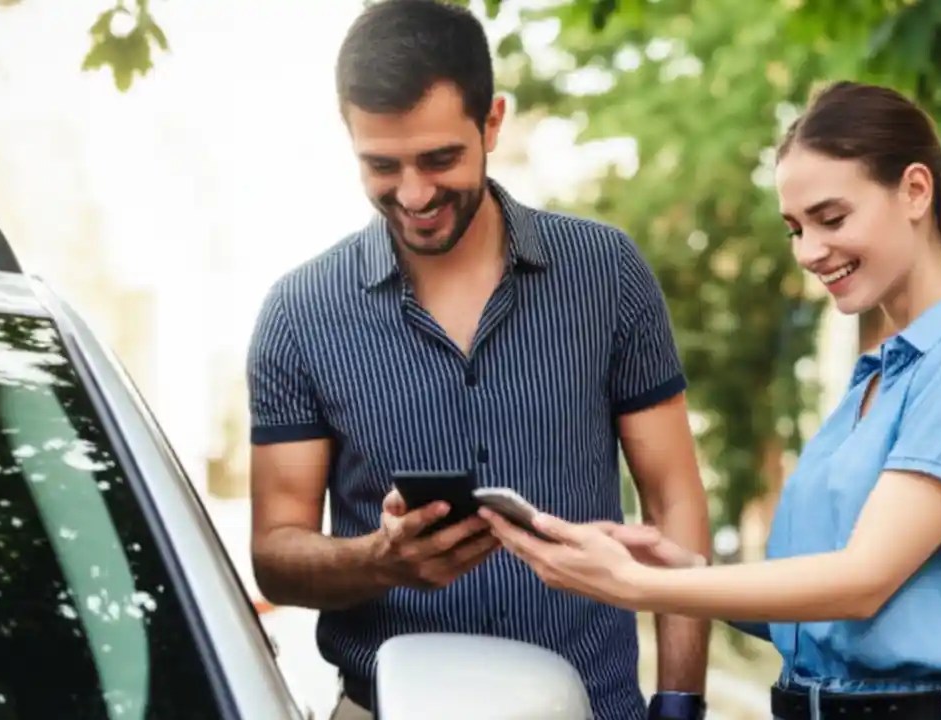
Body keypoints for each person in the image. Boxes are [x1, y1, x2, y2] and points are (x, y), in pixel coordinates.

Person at [483, 80, 941, 720]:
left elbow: (863, 582)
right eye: (795, 228)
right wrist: (682, 571)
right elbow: (815, 610)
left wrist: (633, 585)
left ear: (916, 191)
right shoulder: (878, 377)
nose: (810, 252)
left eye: (832, 218)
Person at [244, 1, 712, 719]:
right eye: (381, 165)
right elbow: (277, 551)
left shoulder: (607, 273)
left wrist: (680, 703)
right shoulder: (298, 314)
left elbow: (673, 498)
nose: (413, 194)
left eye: (440, 159)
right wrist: (381, 559)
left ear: (492, 123)